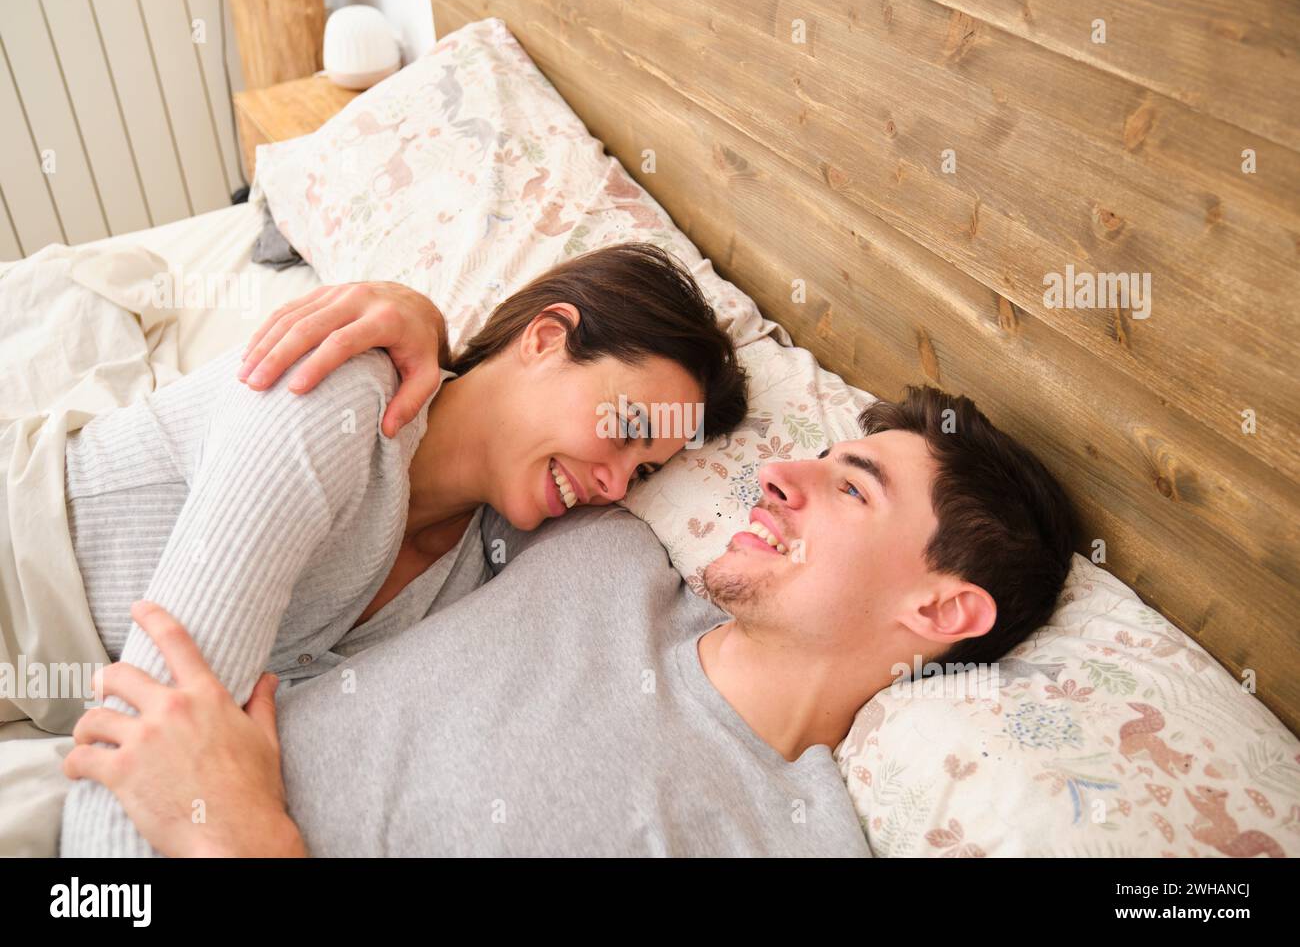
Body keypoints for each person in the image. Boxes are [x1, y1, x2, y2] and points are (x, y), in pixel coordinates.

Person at [60, 302, 1076, 855]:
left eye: (853, 487)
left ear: (942, 608)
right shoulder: (601, 547)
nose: (776, 472)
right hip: (89, 789)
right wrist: (420, 319)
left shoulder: (782, 835)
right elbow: (474, 437)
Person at [56, 243, 748, 856]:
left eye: (646, 472)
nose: (616, 482)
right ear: (544, 339)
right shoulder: (342, 397)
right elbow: (145, 734)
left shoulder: (482, 569)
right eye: (626, 427)